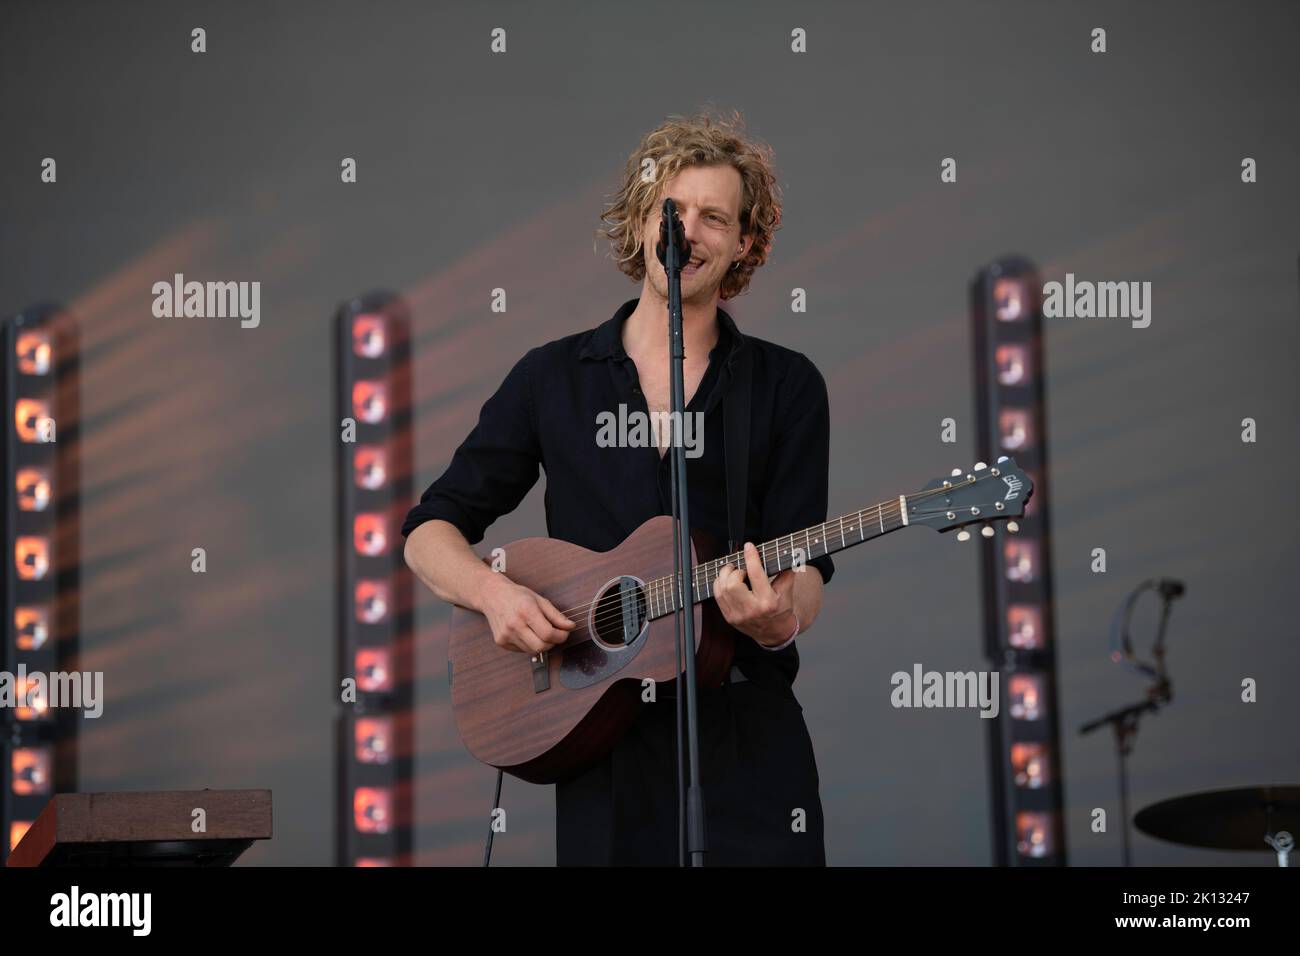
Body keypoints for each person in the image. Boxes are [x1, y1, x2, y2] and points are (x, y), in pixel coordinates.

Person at [402, 111, 835, 865]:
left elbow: (806, 574)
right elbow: (428, 532)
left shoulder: (786, 385)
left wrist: (775, 621)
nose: (688, 233)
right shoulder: (551, 378)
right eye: (673, 212)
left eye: (714, 218)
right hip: (600, 737)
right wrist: (494, 595)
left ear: (743, 245)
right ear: (640, 224)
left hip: (745, 733)